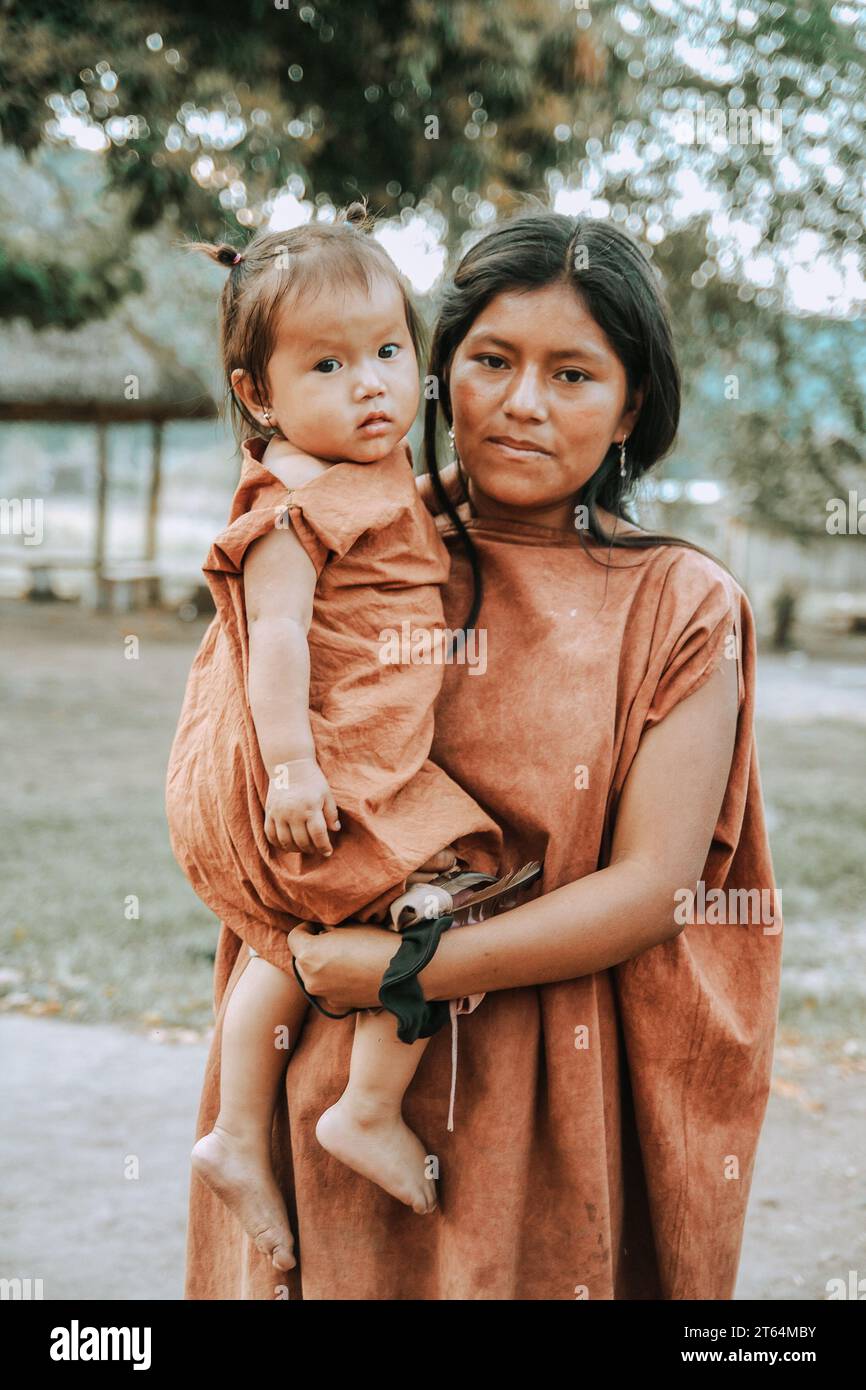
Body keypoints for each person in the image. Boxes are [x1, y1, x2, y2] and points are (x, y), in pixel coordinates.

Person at [182, 209, 783, 1300]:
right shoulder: (345, 543)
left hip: (556, 1103)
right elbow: (228, 783)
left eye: (572, 374)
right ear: (440, 368)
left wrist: (404, 968)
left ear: (629, 405)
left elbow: (653, 889)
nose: (520, 403)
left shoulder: (682, 605)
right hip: (322, 1084)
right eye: (492, 360)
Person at [167, 202, 539, 1274]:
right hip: (323, 765)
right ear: (258, 396)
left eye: (385, 350)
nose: (369, 382)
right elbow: (273, 639)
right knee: (448, 885)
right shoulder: (288, 502)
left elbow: (402, 526)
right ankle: (366, 1106)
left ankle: (240, 1131)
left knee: (291, 945)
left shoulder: (358, 480)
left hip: (346, 760)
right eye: (326, 366)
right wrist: (292, 768)